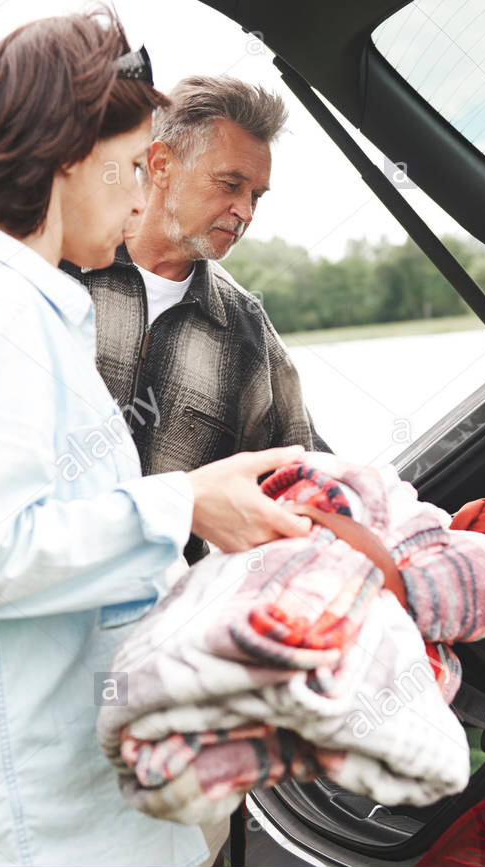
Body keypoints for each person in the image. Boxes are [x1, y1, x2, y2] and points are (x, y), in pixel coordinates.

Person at [0, 10, 310, 867]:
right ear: (68, 158)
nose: (135, 195)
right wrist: (184, 501)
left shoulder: (1, 301)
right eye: (128, 166)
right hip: (5, 835)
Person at [65, 76, 329, 564]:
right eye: (230, 184)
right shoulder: (59, 273)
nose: (245, 211)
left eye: (257, 195)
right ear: (160, 164)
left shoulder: (248, 334)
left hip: (162, 623)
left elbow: (306, 488)